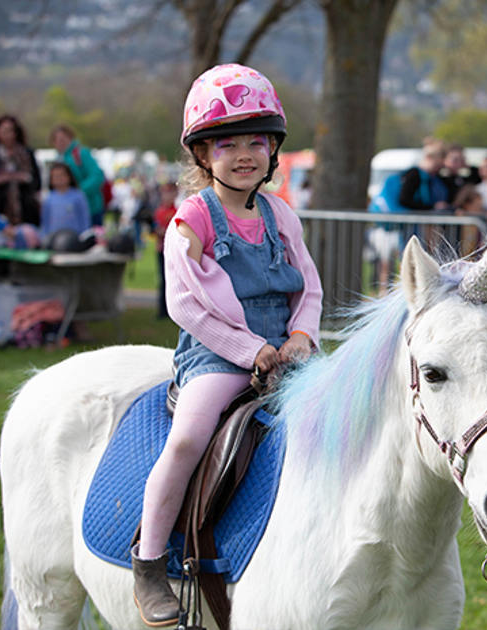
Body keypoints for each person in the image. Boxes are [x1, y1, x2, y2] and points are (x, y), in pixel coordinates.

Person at [132, 63, 323, 627]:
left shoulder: (280, 214)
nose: (244, 155)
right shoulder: (192, 221)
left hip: (285, 348)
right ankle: (149, 560)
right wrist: (248, 351)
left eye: (256, 142)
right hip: (217, 353)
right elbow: (187, 306)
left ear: (273, 149)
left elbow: (308, 287)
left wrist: (301, 335)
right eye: (228, 144)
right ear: (202, 154)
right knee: (189, 438)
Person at [0, 115, 41, 229]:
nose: (8, 135)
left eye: (11, 131)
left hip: (26, 213)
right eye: (4, 131)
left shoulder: (26, 154)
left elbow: (37, 183)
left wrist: (24, 178)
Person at [49, 123, 107, 227]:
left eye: (62, 139)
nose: (59, 143)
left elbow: (97, 176)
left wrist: (79, 191)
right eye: (56, 140)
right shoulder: (59, 159)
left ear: (70, 138)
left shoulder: (81, 153)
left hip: (90, 208)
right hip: (69, 211)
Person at [39, 162, 91, 240]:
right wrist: (44, 236)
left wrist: (84, 235)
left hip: (74, 237)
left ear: (69, 177)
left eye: (61, 175)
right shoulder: (49, 198)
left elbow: (84, 217)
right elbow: (45, 220)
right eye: (56, 176)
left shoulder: (78, 196)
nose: (59, 179)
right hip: (54, 237)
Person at [151, 181, 178, 319]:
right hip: (161, 248)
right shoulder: (160, 211)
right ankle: (162, 309)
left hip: (171, 250)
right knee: (162, 279)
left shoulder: (176, 211)